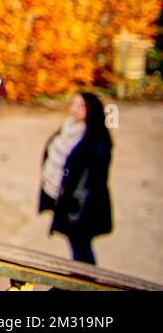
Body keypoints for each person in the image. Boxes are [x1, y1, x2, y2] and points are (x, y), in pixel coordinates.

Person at [39, 92, 113, 264]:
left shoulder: (96, 140)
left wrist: (74, 210)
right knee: (76, 244)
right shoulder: (68, 127)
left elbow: (93, 182)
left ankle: (86, 282)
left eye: (81, 106)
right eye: (73, 104)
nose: (74, 109)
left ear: (92, 109)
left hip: (81, 207)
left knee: (81, 245)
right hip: (65, 198)